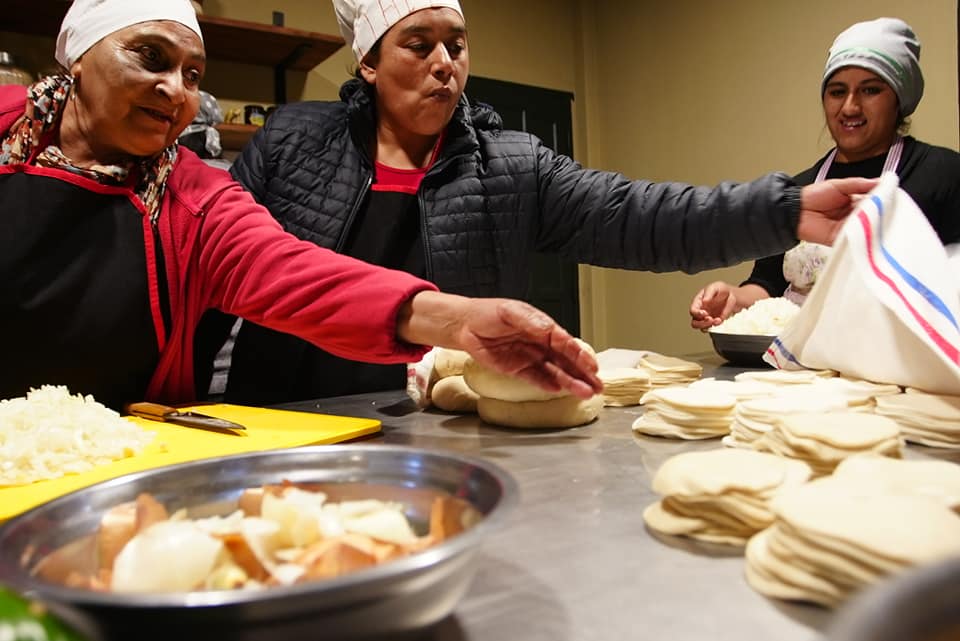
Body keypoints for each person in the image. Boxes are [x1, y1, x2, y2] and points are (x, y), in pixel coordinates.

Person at [210, 0, 875, 405]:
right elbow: (211, 280)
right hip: (290, 422)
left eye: (457, 44)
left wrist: (782, 209)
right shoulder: (291, 145)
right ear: (369, 63)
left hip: (443, 424)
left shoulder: (510, 165)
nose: (446, 61)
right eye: (419, 45)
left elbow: (637, 214)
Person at [0, 0, 606, 411]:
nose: (176, 90)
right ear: (77, 57)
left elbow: (300, 275)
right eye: (150, 58)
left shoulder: (196, 201)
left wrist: (460, 321)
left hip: (110, 457)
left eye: (192, 73)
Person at [690, 17, 960, 330]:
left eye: (870, 90)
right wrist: (734, 299)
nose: (850, 107)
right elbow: (768, 284)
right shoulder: (800, 188)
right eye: (836, 91)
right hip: (805, 370)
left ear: (899, 100)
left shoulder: (944, 175)